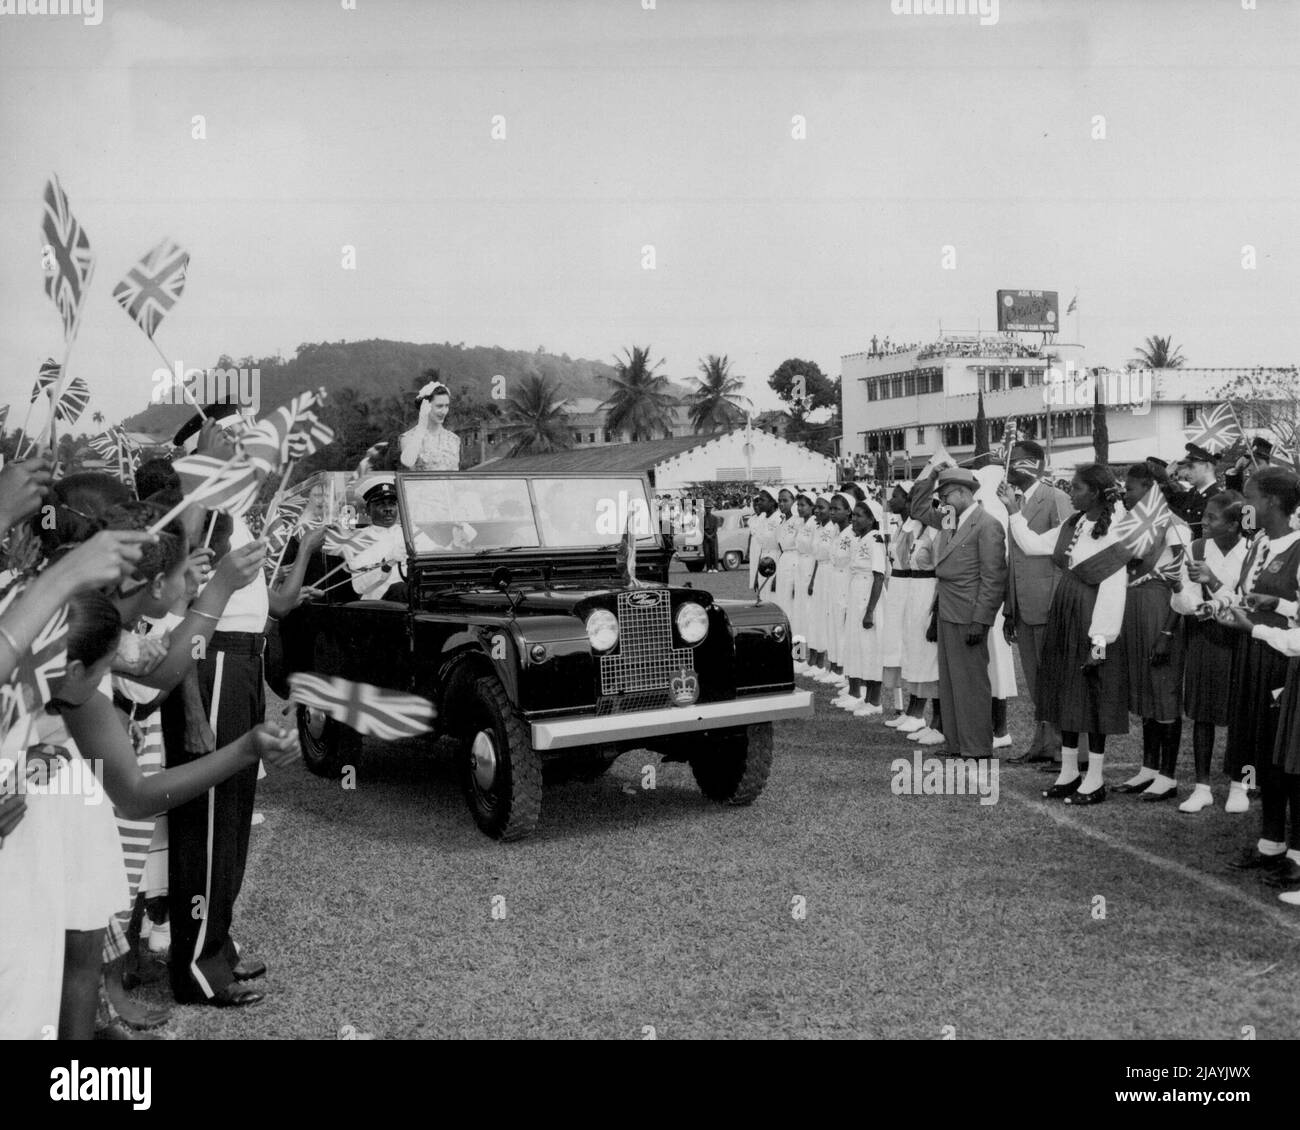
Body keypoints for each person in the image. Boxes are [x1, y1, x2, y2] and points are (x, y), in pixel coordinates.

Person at [999, 464, 1129, 804]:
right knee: (1068, 691)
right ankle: (1069, 771)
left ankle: (1096, 778)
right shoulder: (1075, 523)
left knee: (1094, 694)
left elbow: (1113, 590)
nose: (1070, 493)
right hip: (1067, 611)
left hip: (1093, 620)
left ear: (1096, 492)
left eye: (1077, 488)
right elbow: (1031, 546)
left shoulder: (1115, 527)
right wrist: (1014, 512)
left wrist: (1100, 644)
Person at [1214, 468, 1300, 869]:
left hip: (1285, 660)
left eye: (1251, 498)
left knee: (1284, 751)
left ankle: (1292, 849)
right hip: (1254, 652)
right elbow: (1245, 592)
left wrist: (1275, 610)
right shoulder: (1261, 542)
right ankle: (1270, 840)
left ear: (1273, 502)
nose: (1246, 507)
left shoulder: (1298, 547)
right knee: (1255, 744)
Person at [911, 467, 1007, 759]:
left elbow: (993, 578)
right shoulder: (951, 520)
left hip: (969, 613)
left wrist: (981, 620)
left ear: (964, 493)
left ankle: (977, 747)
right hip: (948, 609)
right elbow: (918, 508)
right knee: (951, 682)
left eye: (946, 495)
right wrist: (931, 476)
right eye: (940, 496)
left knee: (972, 683)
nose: (942, 501)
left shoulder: (986, 524)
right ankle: (956, 743)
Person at [1113, 464, 1190, 802]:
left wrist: (1167, 633)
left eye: (1130, 488)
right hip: (1136, 607)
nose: (1125, 494)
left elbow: (1181, 586)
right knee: (1145, 690)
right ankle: (1149, 767)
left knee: (1164, 692)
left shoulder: (1175, 526)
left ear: (1148, 487)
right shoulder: (1136, 525)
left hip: (1161, 609)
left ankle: (1169, 775)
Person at [1169, 492, 1247, 813]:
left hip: (1242, 640)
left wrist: (1212, 582)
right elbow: (1182, 603)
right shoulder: (1197, 548)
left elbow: (1245, 600)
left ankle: (1243, 785)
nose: (1205, 521)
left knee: (1242, 718)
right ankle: (1202, 787)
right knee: (1202, 714)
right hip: (1204, 638)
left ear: (1233, 524)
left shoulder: (1253, 551)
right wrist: (1180, 590)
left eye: (1213, 518)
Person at [1001, 441, 1072, 765]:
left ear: (1032, 464)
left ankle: (1060, 747)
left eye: (1012, 462)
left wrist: (1059, 604)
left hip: (1049, 605)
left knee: (1053, 678)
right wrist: (1010, 607)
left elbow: (1065, 554)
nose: (1007, 468)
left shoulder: (1056, 498)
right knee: (1034, 680)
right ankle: (1042, 744)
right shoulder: (1014, 501)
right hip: (1024, 607)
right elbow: (1014, 559)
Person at [837, 498, 887, 717]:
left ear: (871, 518)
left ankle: (875, 701)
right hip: (857, 592)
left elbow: (878, 576)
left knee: (872, 648)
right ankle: (866, 698)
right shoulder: (861, 539)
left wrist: (869, 611)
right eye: (853, 515)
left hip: (869, 596)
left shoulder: (875, 540)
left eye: (858, 515)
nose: (853, 519)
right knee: (860, 647)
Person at [1151, 443, 1221, 539]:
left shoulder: (1217, 498)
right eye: (1186, 467)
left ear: (1208, 466)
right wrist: (1163, 478)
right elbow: (1165, 498)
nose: (1186, 472)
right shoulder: (1193, 494)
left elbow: (1189, 526)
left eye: (1191, 467)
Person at [399, 380, 461, 471]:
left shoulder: (454, 439)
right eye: (439, 406)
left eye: (446, 406)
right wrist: (422, 424)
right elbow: (408, 461)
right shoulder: (409, 438)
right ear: (425, 406)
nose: (444, 411)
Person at [790, 491, 815, 670]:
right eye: (798, 505)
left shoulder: (815, 524)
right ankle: (798, 656)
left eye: (803, 505)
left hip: (810, 566)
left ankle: (810, 660)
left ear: (811, 507)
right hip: (799, 567)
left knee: (809, 615)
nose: (799, 508)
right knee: (798, 614)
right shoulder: (799, 523)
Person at [748, 488, 781, 592]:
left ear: (772, 502)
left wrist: (778, 577)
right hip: (763, 561)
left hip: (775, 561)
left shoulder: (779, 519)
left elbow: (782, 550)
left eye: (762, 500)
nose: (759, 503)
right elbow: (760, 548)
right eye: (759, 500)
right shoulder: (762, 519)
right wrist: (757, 576)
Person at [702, 502, 720, 573]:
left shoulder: (715, 518)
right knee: (707, 552)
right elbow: (701, 528)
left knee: (714, 552)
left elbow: (716, 528)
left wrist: (712, 535)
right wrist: (707, 535)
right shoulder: (702, 519)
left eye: (709, 508)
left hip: (713, 536)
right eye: (706, 508)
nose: (708, 509)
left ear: (711, 509)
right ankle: (708, 567)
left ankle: (715, 567)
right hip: (705, 536)